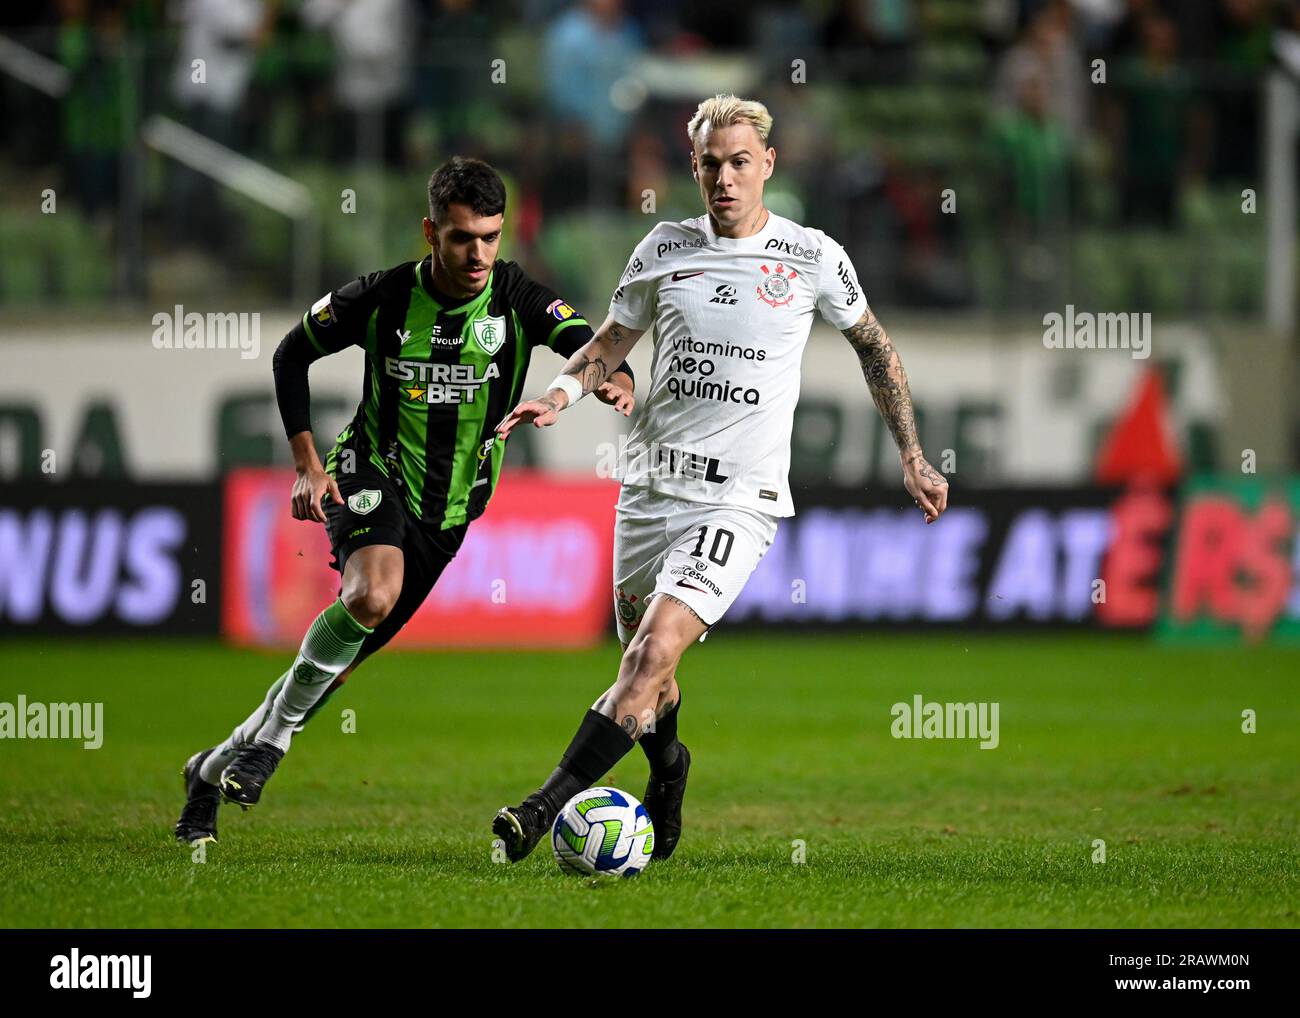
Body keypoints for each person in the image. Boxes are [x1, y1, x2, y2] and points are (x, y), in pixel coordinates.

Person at [491, 95, 949, 862]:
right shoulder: (664, 248)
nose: (725, 179)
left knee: (649, 655)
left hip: (741, 499)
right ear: (694, 167)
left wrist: (911, 452)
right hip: (648, 490)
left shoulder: (812, 256)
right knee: (650, 672)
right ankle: (668, 768)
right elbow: (610, 340)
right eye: (711, 164)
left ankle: (540, 810)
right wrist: (562, 393)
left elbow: (874, 346)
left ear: (768, 165)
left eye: (740, 163)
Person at [174, 157, 635, 845]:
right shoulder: (383, 297)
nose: (477, 253)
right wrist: (305, 462)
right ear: (430, 232)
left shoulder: (516, 298)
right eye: (460, 238)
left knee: (328, 672)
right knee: (371, 594)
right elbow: (289, 355)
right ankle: (269, 747)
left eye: (489, 236)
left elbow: (592, 343)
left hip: (448, 514)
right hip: (370, 469)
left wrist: (611, 376)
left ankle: (211, 771)